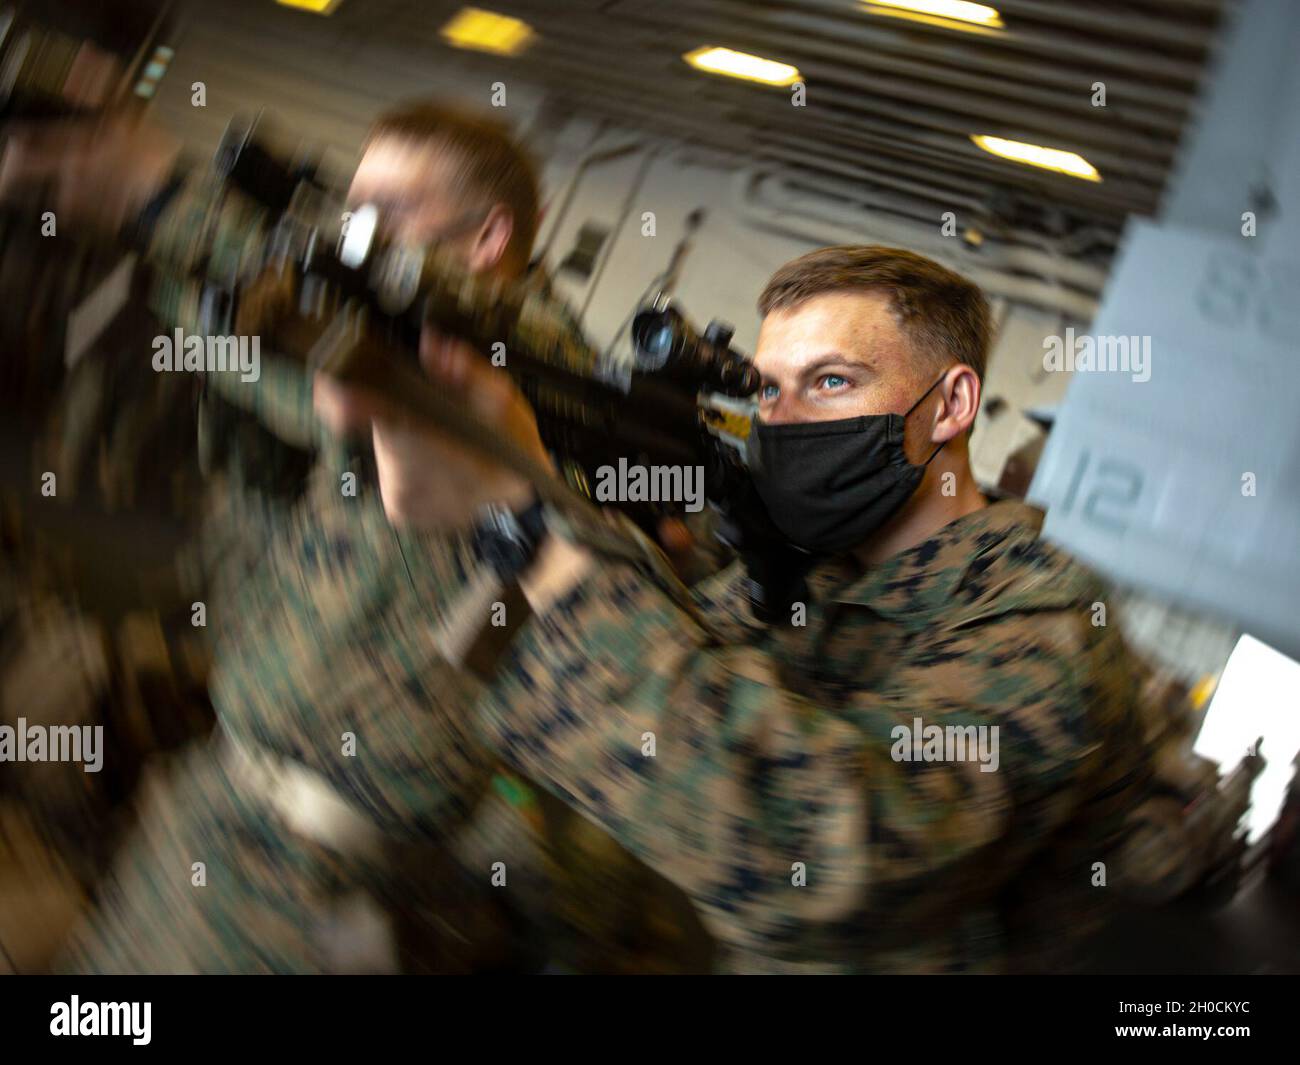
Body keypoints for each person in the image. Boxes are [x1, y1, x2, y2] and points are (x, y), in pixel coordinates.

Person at [4, 106, 1159, 972]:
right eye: (769, 391)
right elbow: (607, 787)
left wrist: (523, 524)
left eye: (834, 383)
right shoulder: (786, 574)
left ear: (951, 409)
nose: (785, 422)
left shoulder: (1034, 616)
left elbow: (836, 856)